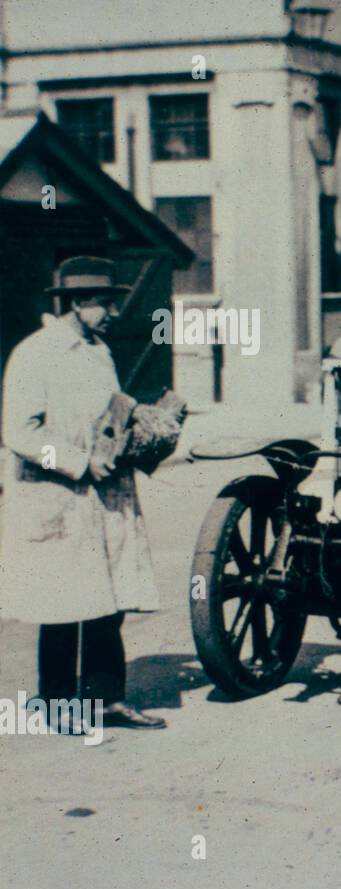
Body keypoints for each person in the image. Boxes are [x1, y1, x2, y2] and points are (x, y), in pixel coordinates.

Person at [0, 256, 166, 730]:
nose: (114, 311)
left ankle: (107, 699)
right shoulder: (35, 353)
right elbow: (18, 432)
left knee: (105, 604)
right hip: (58, 495)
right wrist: (77, 462)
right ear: (77, 302)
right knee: (61, 606)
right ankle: (56, 706)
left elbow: (107, 419)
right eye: (105, 302)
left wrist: (141, 434)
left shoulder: (99, 350)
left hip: (104, 495)